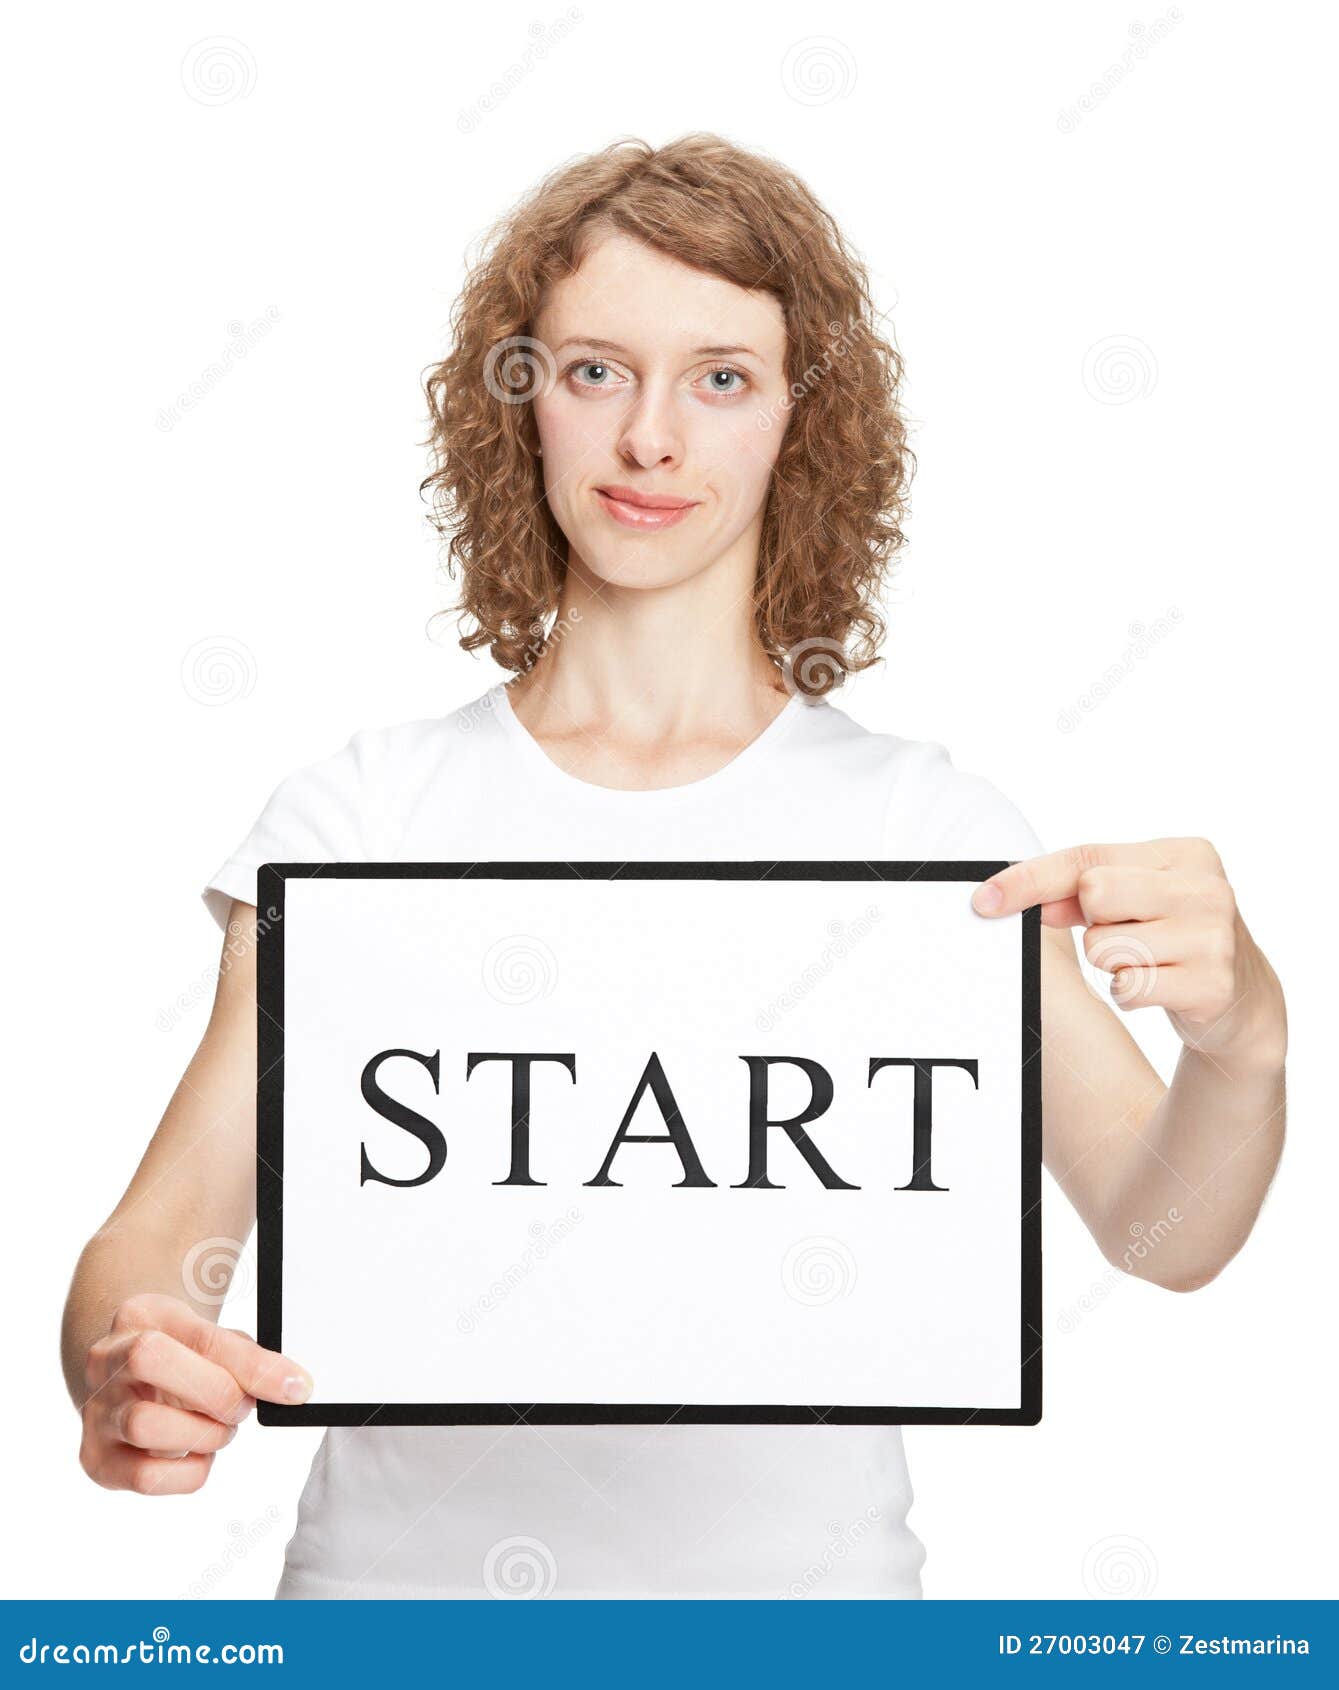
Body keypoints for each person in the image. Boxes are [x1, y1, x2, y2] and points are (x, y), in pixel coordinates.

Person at [61, 134, 1287, 1601]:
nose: (652, 438)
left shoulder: (922, 836)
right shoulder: (361, 818)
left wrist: (1244, 1037)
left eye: (721, 377)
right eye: (595, 371)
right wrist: (126, 1355)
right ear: (519, 404)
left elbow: (1162, 1233)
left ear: (798, 422)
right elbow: (166, 1228)